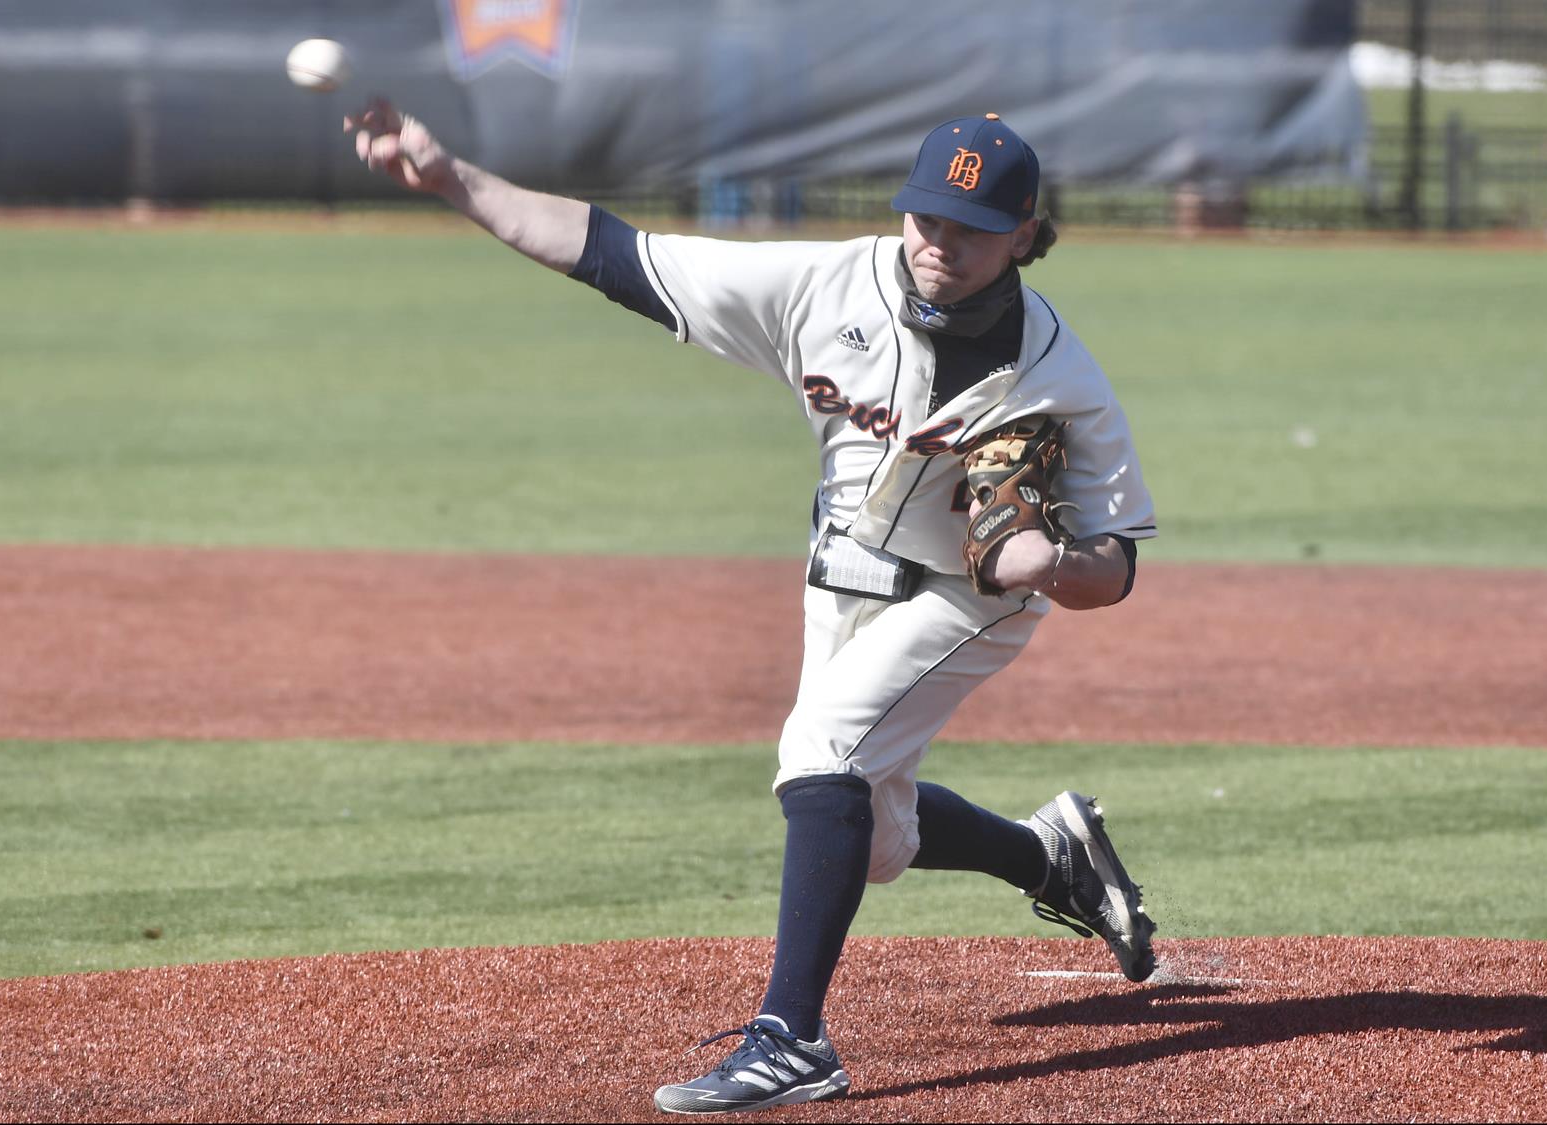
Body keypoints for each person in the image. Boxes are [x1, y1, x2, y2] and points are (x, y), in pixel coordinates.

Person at [343, 98, 1160, 1115]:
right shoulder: (824, 286)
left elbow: (1115, 566)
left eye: (972, 228)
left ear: (1026, 234)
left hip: (969, 599)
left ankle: (792, 1039)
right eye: (925, 218)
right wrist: (451, 178)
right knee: (873, 839)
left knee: (821, 753)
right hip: (839, 573)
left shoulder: (1063, 381)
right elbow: (614, 254)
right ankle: (1052, 858)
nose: (939, 244)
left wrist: (1049, 563)